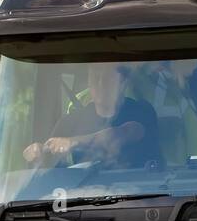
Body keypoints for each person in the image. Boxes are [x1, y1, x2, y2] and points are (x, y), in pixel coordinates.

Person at [24, 63, 160, 169]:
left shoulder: (141, 111)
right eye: (95, 77)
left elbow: (118, 135)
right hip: (85, 198)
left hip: (139, 195)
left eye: (108, 79)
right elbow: (49, 162)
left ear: (123, 83)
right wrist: (37, 152)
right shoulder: (69, 121)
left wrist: (73, 142)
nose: (100, 84)